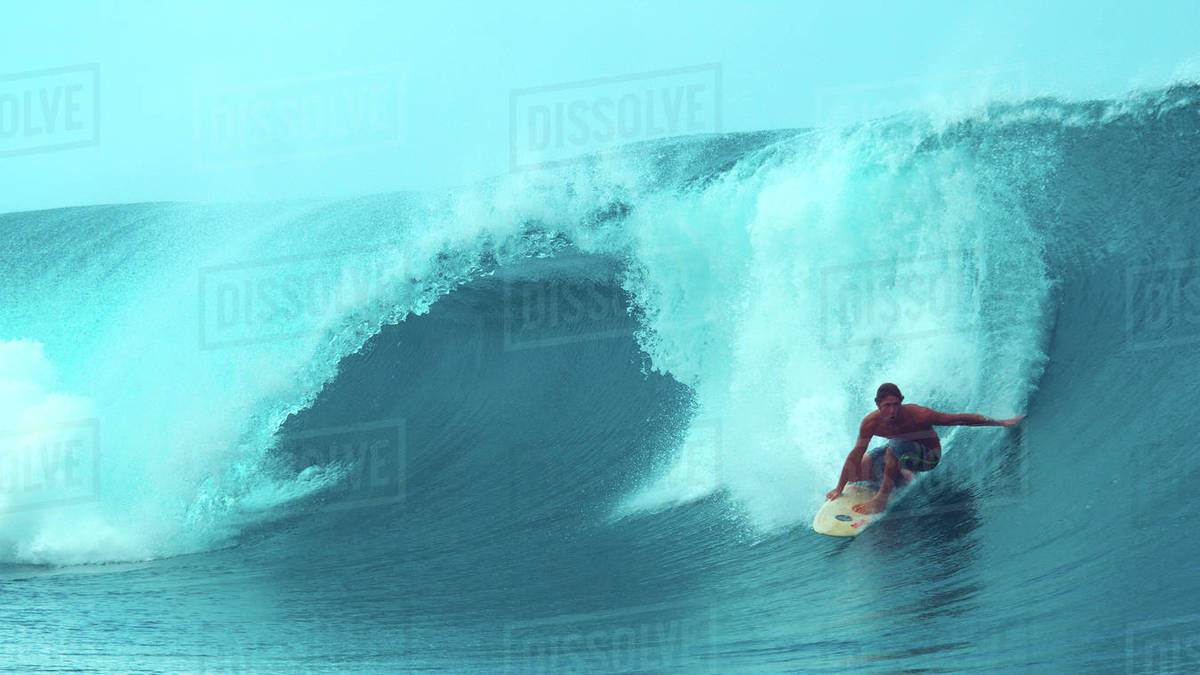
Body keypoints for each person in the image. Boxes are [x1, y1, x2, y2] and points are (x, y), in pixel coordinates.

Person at [826, 383, 1026, 514]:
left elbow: (960, 419)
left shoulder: (919, 414)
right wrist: (839, 487)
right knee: (858, 469)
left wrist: (1001, 422)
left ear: (902, 401)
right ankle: (901, 473)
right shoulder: (870, 423)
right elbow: (855, 454)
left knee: (894, 445)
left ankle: (882, 499)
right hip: (899, 450)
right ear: (877, 404)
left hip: (928, 456)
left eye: (896, 404)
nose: (892, 410)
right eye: (887, 405)